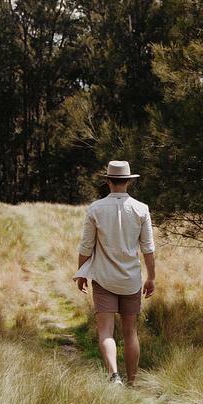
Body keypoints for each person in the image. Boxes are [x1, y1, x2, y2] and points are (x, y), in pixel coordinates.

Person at [74, 160, 156, 386]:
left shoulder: (95, 209)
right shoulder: (141, 209)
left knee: (106, 332)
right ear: (129, 181)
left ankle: (114, 375)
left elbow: (86, 247)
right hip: (131, 280)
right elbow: (148, 248)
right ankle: (132, 382)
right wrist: (151, 277)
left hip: (103, 278)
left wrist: (81, 272)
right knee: (130, 332)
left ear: (108, 181)